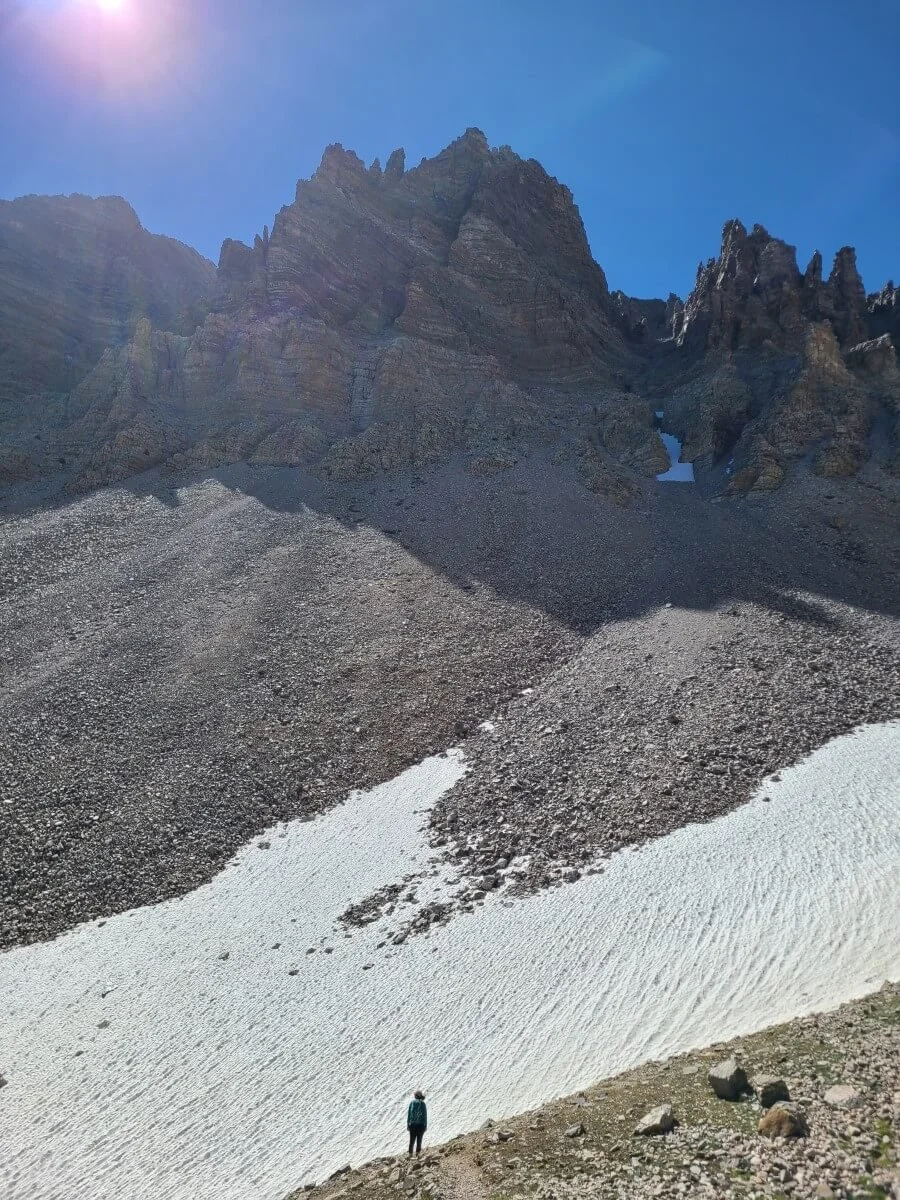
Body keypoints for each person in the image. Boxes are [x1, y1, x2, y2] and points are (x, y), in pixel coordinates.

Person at [406, 1089, 427, 1156]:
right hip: (421, 1125)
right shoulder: (423, 1104)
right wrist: (425, 1125)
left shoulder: (412, 1103)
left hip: (412, 1124)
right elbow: (425, 1115)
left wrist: (408, 1125)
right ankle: (417, 1154)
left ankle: (410, 1154)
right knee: (419, 1140)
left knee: (411, 1140)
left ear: (415, 1096)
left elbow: (409, 1115)